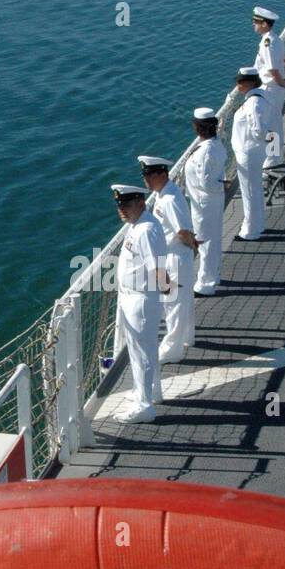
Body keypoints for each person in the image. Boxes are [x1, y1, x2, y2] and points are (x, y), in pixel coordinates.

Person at [112, 183, 168, 423]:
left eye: (126, 204)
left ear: (141, 203)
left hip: (140, 298)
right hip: (133, 296)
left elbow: (158, 267)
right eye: (120, 205)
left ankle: (144, 407)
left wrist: (165, 291)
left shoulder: (146, 230)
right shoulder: (137, 225)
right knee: (142, 351)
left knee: (141, 353)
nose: (122, 209)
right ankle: (150, 392)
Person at [138, 155, 197, 364]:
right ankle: (188, 336)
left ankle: (172, 350)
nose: (145, 179)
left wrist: (193, 246)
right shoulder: (164, 194)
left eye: (149, 175)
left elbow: (182, 230)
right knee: (183, 300)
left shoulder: (169, 199)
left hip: (175, 256)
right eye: (144, 174)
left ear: (162, 174)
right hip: (174, 254)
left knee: (173, 303)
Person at [184, 108, 226, 296]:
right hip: (209, 201)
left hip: (204, 203)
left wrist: (221, 187)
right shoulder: (214, 144)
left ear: (198, 127)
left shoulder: (206, 151)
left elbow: (207, 183)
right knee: (213, 239)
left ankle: (206, 283)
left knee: (204, 241)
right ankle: (213, 275)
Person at [231, 66, 270, 240]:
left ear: (251, 83)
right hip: (252, 152)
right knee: (254, 190)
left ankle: (250, 231)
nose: (238, 85)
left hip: (248, 153)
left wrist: (255, 141)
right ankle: (258, 225)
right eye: (237, 81)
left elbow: (259, 130)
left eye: (241, 82)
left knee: (249, 193)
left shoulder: (253, 103)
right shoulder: (259, 97)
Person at [253, 4, 285, 168]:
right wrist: (284, 80)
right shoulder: (276, 39)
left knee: (270, 126)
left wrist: (283, 83)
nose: (253, 24)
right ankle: (275, 158)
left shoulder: (267, 43)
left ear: (264, 24)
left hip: (270, 88)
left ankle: (271, 162)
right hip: (275, 88)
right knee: (275, 124)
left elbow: (272, 70)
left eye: (256, 21)